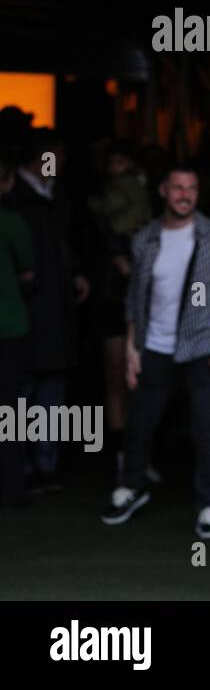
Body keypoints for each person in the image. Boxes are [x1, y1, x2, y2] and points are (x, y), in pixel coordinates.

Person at [103, 163, 210, 537]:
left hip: (203, 345)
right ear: (163, 191)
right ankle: (131, 488)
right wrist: (132, 346)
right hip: (156, 346)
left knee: (208, 430)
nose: (184, 194)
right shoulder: (145, 238)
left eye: (191, 188)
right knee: (140, 424)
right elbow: (136, 297)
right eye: (177, 187)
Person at [13, 130, 88, 494]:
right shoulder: (15, 198)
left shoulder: (55, 196)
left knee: (52, 393)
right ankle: (23, 467)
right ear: (40, 155)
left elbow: (63, 244)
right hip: (26, 313)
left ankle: (46, 465)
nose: (61, 162)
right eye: (56, 155)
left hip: (56, 313)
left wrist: (74, 272)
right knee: (23, 392)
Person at [87, 141, 150, 482]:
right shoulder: (110, 228)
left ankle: (135, 454)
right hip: (114, 294)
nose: (115, 166)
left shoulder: (125, 194)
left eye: (120, 159)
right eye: (110, 160)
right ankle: (124, 454)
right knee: (117, 376)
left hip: (133, 294)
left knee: (139, 377)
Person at [0, 154, 34, 507]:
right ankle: (13, 487)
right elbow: (28, 272)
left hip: (9, 324)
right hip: (9, 326)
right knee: (9, 410)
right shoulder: (13, 223)